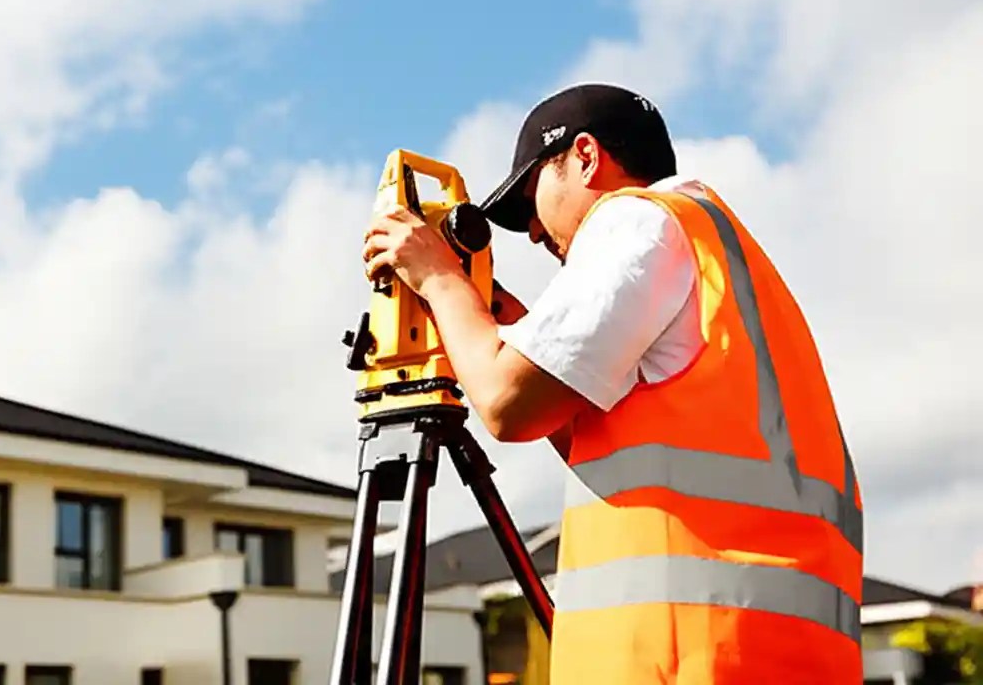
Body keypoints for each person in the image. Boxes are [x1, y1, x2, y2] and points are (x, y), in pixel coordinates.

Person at [361, 83, 864, 683]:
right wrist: (515, 332)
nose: (534, 236)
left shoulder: (638, 221)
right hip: (769, 653)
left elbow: (505, 403)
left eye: (530, 202)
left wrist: (440, 281)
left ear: (585, 157)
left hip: (690, 657)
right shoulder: (724, 260)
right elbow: (610, 449)